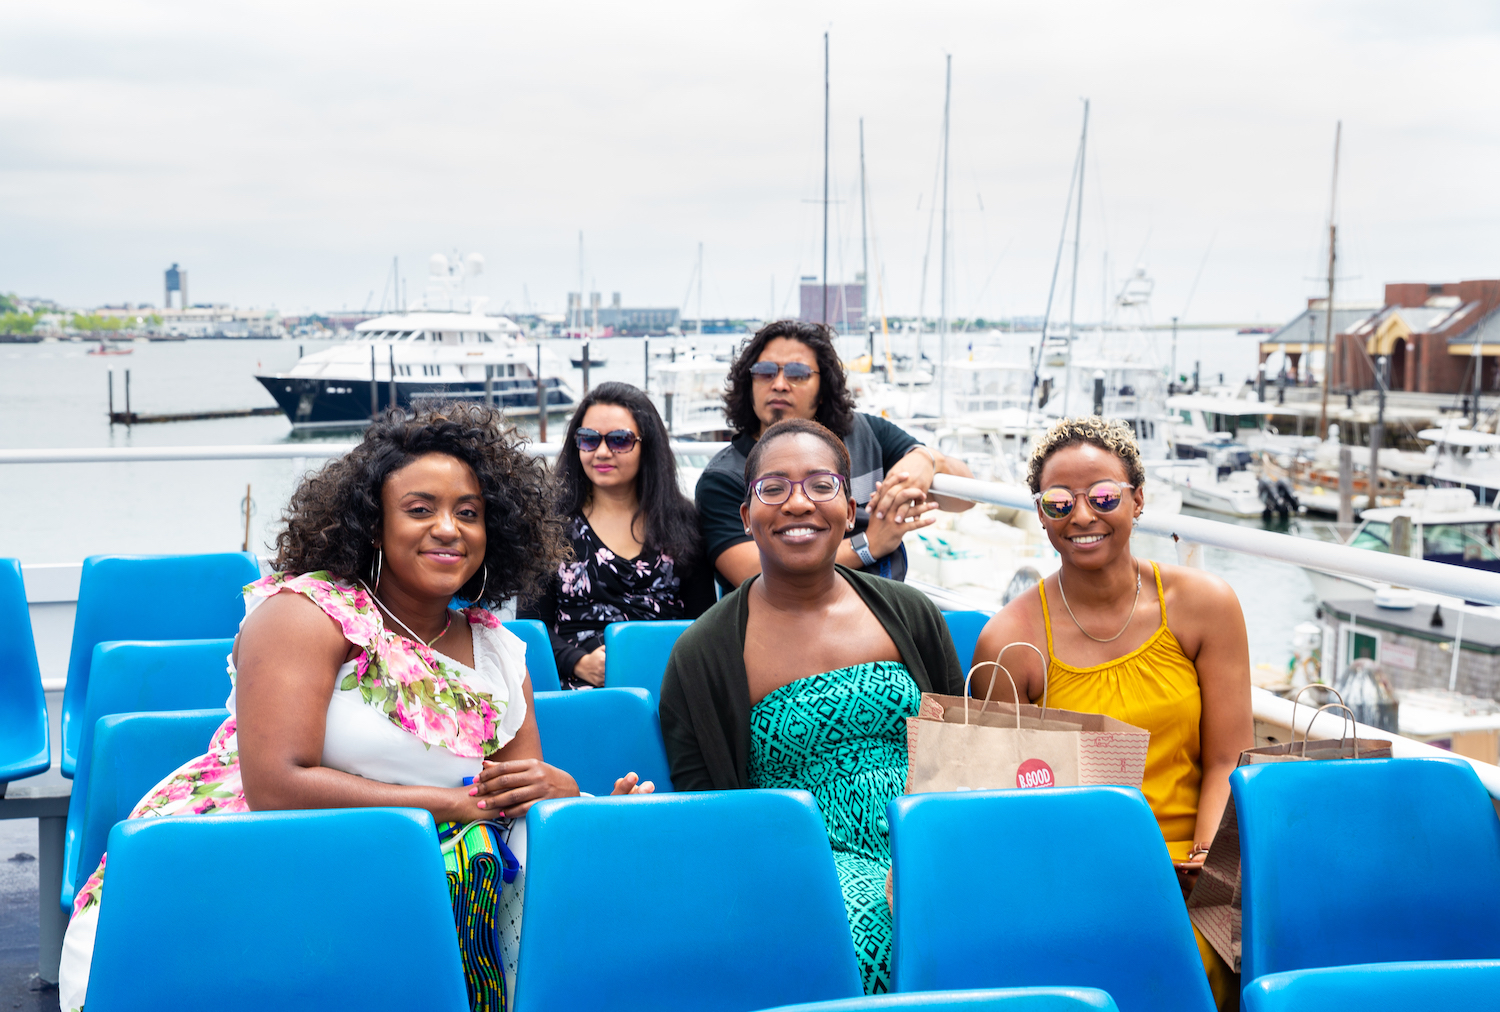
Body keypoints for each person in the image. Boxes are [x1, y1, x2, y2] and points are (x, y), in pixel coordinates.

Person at [58, 403, 653, 1012]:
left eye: (469, 513)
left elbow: (504, 799)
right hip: (246, 872)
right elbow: (277, 787)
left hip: (411, 883)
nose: (448, 528)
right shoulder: (307, 615)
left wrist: (568, 798)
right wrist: (447, 804)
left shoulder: (500, 653)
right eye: (419, 509)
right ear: (373, 525)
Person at [661, 418, 963, 995]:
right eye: (773, 488)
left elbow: (961, 750)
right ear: (746, 516)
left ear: (850, 510)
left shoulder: (911, 612)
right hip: (801, 860)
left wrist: (927, 850)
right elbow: (708, 806)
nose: (798, 503)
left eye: (821, 486)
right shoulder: (702, 653)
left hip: (927, 836)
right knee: (873, 936)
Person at [970, 416, 1253, 1010]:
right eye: (1058, 501)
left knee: (1196, 959)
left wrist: (1206, 867)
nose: (1081, 515)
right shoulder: (1010, 640)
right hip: (1075, 869)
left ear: (1138, 500)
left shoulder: (1205, 605)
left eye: (1103, 496)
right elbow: (1004, 802)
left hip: (1195, 861)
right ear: (1040, 513)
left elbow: (1228, 759)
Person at [695, 319, 974, 592]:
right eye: (765, 372)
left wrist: (927, 459)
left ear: (823, 389)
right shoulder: (723, 478)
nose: (779, 384)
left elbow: (966, 498)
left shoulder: (867, 436)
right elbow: (749, 572)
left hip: (883, 605)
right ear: (750, 384)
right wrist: (869, 544)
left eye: (797, 374)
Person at [518, 382, 715, 688]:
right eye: (589, 439)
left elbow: (703, 622)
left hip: (667, 683)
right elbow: (531, 626)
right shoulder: (550, 522)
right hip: (577, 688)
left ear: (647, 446)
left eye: (619, 440)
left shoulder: (682, 522)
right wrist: (578, 662)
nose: (602, 452)